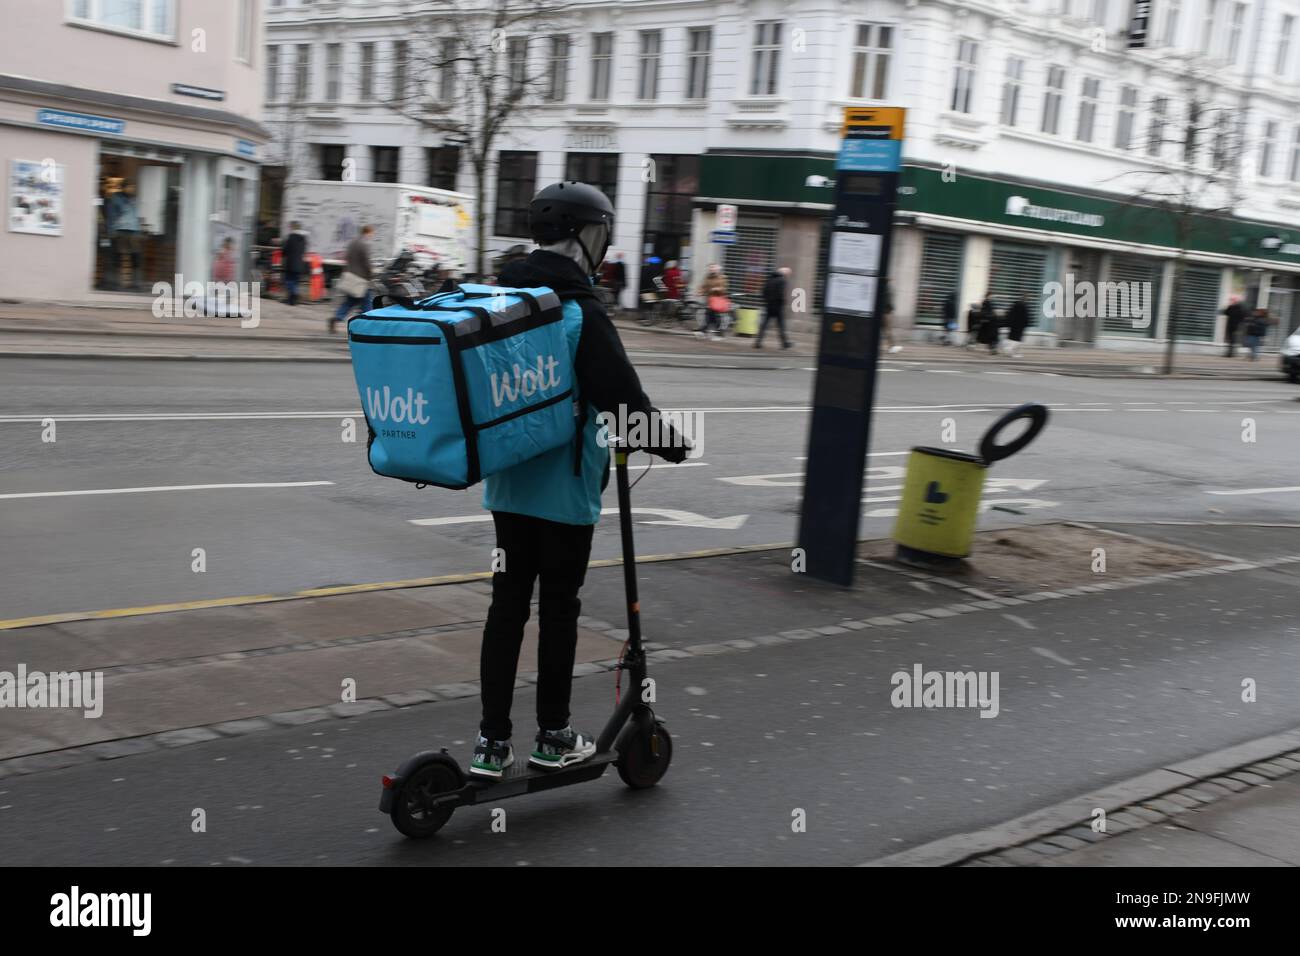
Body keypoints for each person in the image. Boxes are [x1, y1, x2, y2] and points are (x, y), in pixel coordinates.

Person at [471, 181, 688, 778]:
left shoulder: (502, 301)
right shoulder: (580, 312)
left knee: (506, 606)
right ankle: (552, 735)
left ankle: (490, 743)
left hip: (508, 483)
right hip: (565, 492)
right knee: (559, 608)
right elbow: (625, 403)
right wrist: (673, 445)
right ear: (588, 237)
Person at [331, 225, 374, 333]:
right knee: (367, 302)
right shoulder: (364, 244)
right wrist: (371, 274)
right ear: (368, 232)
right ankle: (367, 325)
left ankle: (336, 318)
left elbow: (347, 258)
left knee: (350, 301)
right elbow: (366, 262)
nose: (372, 235)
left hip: (352, 277)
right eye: (372, 233)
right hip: (362, 278)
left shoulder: (352, 243)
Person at [105, 181, 143, 291]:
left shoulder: (133, 199)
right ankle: (114, 282)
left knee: (136, 257)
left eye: (133, 187)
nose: (132, 189)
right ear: (124, 187)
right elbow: (111, 216)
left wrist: (138, 231)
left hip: (133, 231)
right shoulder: (116, 198)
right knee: (117, 257)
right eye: (130, 186)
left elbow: (135, 216)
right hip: (120, 231)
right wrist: (111, 231)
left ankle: (136, 283)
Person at [756, 266, 792, 349]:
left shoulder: (769, 280)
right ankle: (784, 343)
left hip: (769, 306)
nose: (788, 276)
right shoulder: (782, 280)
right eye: (788, 274)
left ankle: (758, 342)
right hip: (778, 307)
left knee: (764, 325)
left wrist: (767, 301)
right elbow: (781, 294)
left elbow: (763, 292)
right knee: (781, 326)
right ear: (785, 273)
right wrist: (783, 302)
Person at [697, 262, 730, 339]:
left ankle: (710, 331)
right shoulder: (707, 277)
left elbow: (724, 289)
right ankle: (709, 331)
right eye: (710, 267)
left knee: (713, 316)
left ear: (718, 269)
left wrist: (717, 289)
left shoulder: (722, 277)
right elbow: (703, 286)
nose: (711, 269)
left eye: (713, 267)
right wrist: (700, 292)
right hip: (709, 299)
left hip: (717, 300)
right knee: (709, 315)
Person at [282, 221, 308, 306]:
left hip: (291, 263)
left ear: (292, 228)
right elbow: (304, 251)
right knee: (295, 281)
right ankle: (292, 300)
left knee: (288, 281)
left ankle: (294, 294)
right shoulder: (303, 238)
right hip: (300, 263)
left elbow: (285, 251)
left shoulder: (291, 237)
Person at [881, 278, 901, 353]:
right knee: (887, 330)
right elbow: (888, 301)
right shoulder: (886, 287)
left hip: (885, 311)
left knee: (886, 330)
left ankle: (891, 346)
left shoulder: (885, 287)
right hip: (886, 312)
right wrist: (890, 308)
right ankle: (891, 347)